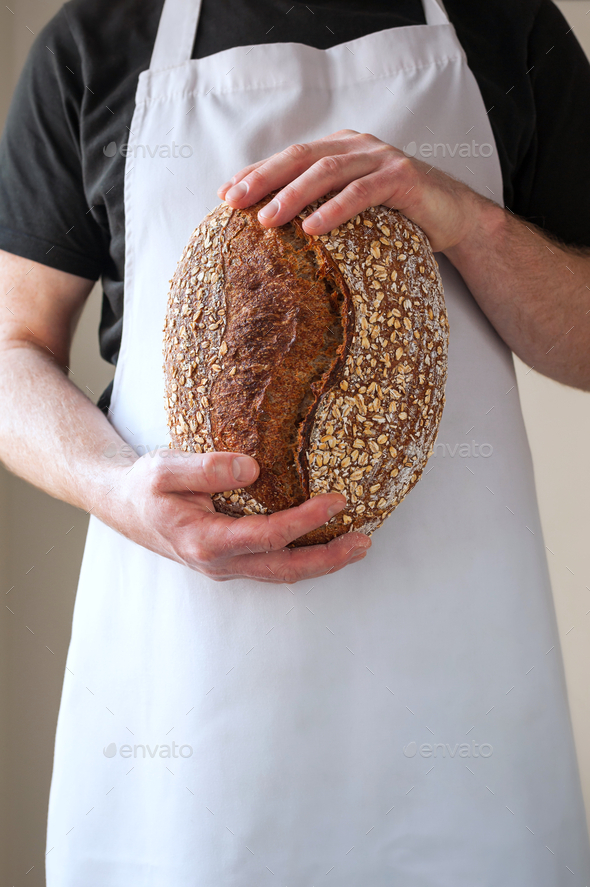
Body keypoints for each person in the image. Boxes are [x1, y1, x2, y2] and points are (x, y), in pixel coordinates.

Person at [1, 0, 590, 882]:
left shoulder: (505, 24)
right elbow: (11, 351)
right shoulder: (95, 43)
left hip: (459, 675)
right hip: (186, 688)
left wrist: (469, 220)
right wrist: (120, 490)